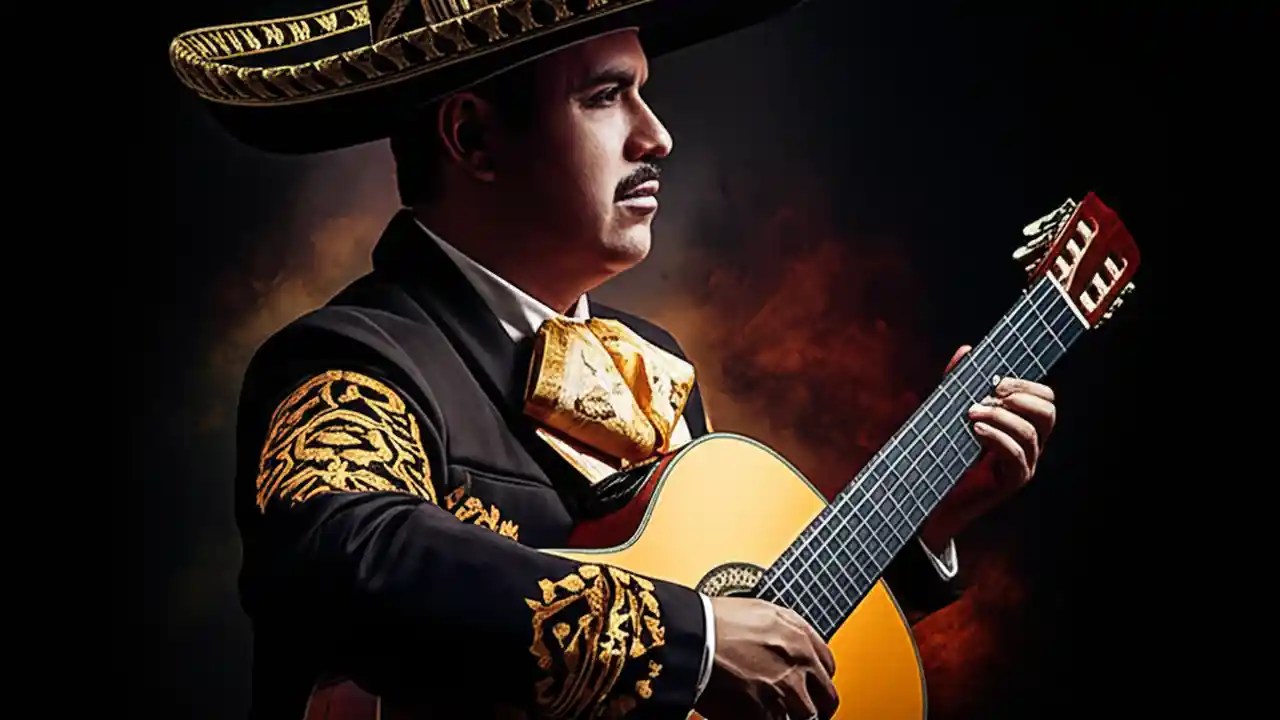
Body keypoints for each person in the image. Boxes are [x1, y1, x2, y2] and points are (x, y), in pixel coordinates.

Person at [168, 1, 1058, 718]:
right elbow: (351, 567)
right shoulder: (347, 362)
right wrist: (694, 643)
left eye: (645, 92)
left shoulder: (653, 364)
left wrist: (922, 527)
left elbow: (764, 643)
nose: (656, 135)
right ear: (473, 139)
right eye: (605, 97)